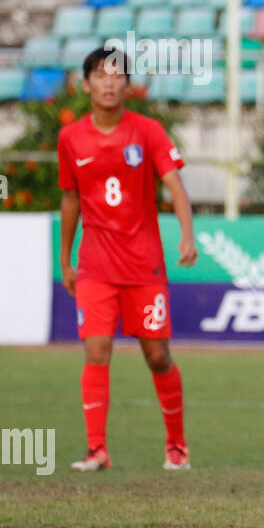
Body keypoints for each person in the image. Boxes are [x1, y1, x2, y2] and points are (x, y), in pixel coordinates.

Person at [59, 46, 197, 471]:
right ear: (86, 85)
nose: (109, 82)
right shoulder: (71, 138)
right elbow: (70, 199)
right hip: (96, 265)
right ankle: (97, 449)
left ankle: (177, 445)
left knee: (157, 356)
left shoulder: (148, 131)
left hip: (144, 266)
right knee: (96, 351)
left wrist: (187, 235)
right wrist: (65, 260)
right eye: (100, 75)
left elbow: (174, 186)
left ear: (128, 84)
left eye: (117, 75)